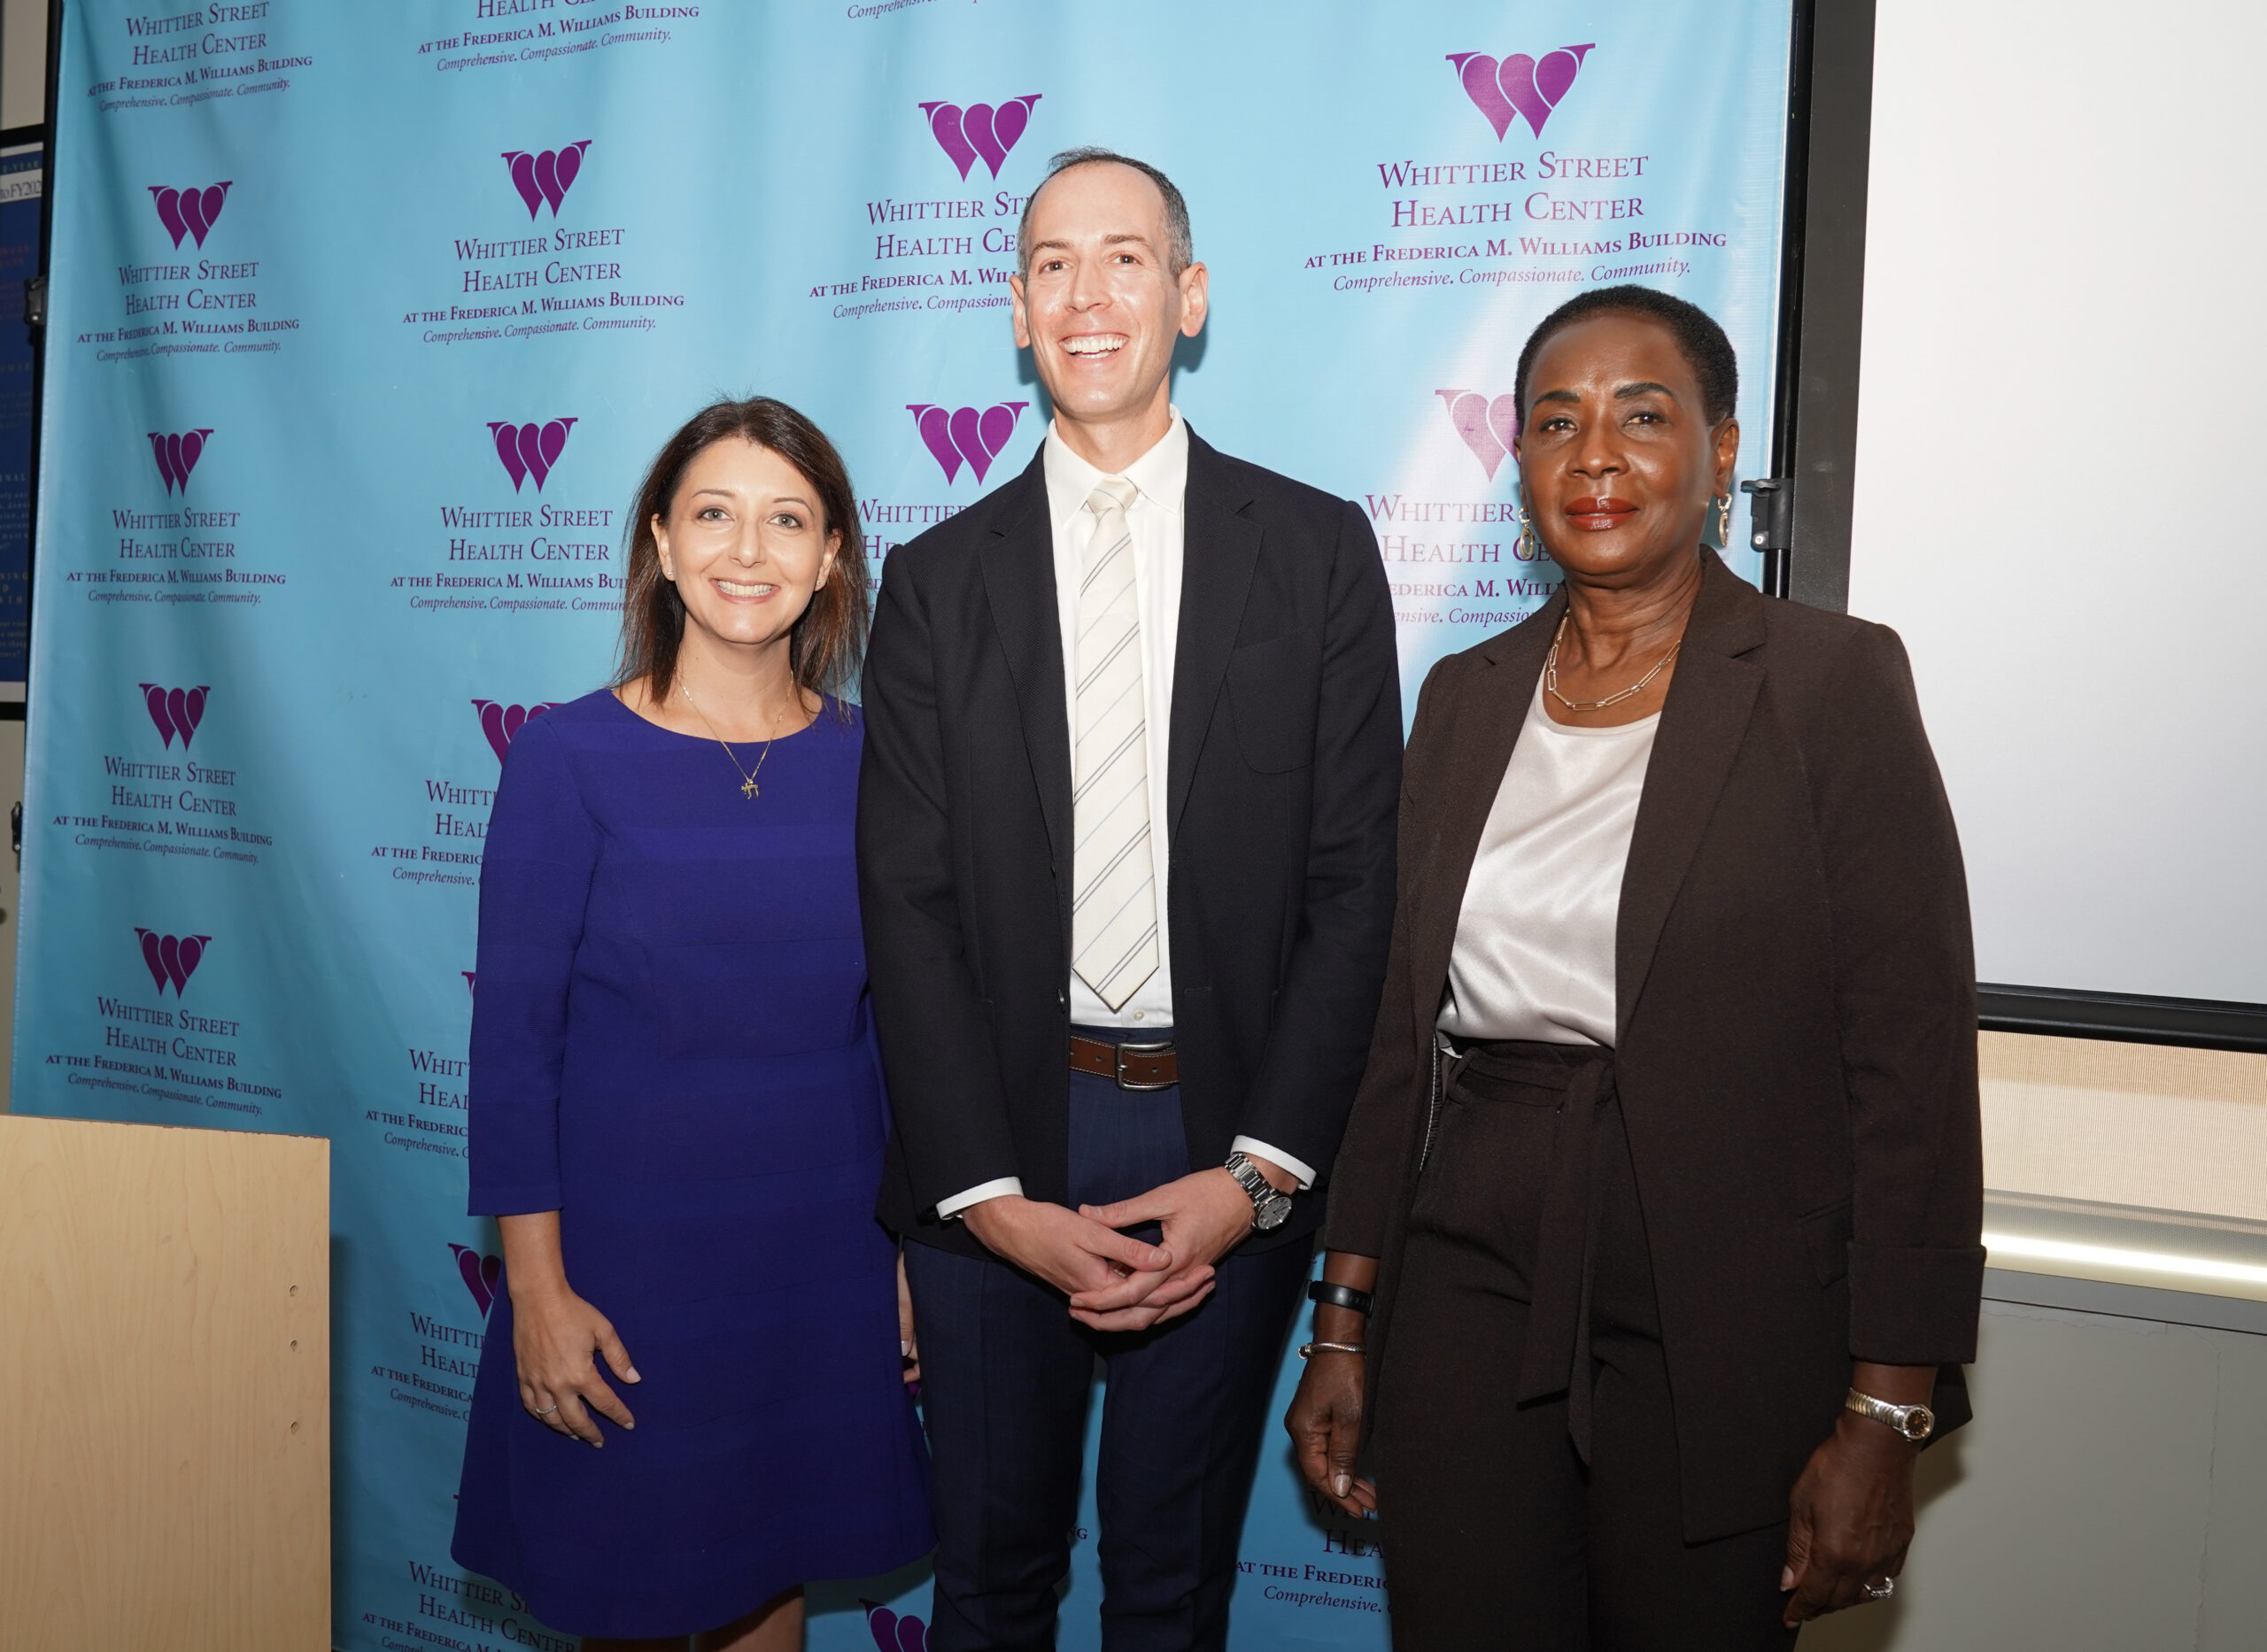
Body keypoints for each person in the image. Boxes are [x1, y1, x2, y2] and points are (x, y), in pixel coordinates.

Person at [1285, 285, 1985, 1649]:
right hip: (1473, 1254)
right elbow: (1392, 1041)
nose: (1595, 456)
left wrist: (1887, 1408)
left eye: (1643, 417)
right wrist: (1346, 1317)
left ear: (1724, 454)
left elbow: (1909, 1068)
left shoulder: (1827, 683)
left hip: (1725, 1284)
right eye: (1556, 422)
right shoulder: (1466, 695)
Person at [857, 148, 1402, 1650]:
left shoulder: (1315, 551)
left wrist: (1252, 1183)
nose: (1086, 293)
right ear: (1019, 313)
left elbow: (1358, 888)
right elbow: (902, 904)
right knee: (989, 1589)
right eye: (1050, 263)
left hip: (1217, 1134)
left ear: (1191, 293)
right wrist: (986, 1197)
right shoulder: (936, 579)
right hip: (993, 1152)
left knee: (1171, 1597)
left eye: (1124, 258)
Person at [453, 398, 932, 1651]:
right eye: (713, 513)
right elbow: (513, 1051)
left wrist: (900, 1260)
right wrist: (538, 1289)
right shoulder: (567, 758)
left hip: (817, 1262)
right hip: (629, 1272)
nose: (747, 550)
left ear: (832, 556)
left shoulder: (877, 761)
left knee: (776, 1576)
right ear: (661, 542)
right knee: (632, 1590)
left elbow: (897, 1037)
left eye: (787, 520)